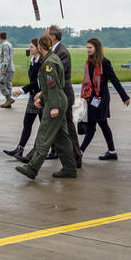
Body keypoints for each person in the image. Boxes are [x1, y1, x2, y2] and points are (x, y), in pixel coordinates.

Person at [15, 33, 78, 180]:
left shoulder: (48, 63)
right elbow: (51, 87)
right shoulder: (52, 58)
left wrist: (53, 106)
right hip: (57, 100)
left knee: (44, 135)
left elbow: (53, 86)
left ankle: (32, 169)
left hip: (55, 102)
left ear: (40, 46)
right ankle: (70, 168)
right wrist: (42, 98)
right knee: (62, 138)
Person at [79, 38, 130, 159]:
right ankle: (112, 152)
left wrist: (124, 97)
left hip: (101, 98)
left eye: (90, 47)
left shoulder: (105, 63)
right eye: (87, 47)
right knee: (103, 123)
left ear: (96, 48)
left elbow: (114, 80)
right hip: (91, 98)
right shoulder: (89, 62)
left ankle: (79, 152)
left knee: (92, 126)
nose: (87, 50)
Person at [48, 25, 81, 167]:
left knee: (68, 126)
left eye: (46, 34)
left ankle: (76, 158)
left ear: (53, 37)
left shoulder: (62, 53)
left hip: (64, 94)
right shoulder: (55, 51)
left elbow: (57, 76)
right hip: (59, 94)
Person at [3, 39, 42, 159]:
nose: (29, 49)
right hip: (33, 96)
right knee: (27, 123)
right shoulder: (33, 60)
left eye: (31, 47)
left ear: (38, 48)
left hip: (41, 97)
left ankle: (55, 150)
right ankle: (19, 149)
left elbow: (37, 82)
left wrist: (22, 90)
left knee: (44, 125)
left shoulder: (42, 62)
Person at [0, 32, 15, 107]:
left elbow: (6, 58)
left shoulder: (4, 45)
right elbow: (7, 56)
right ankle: (8, 102)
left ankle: (8, 98)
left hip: (6, 68)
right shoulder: (9, 44)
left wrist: (4, 68)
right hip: (11, 67)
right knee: (8, 84)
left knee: (0, 82)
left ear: (0, 37)